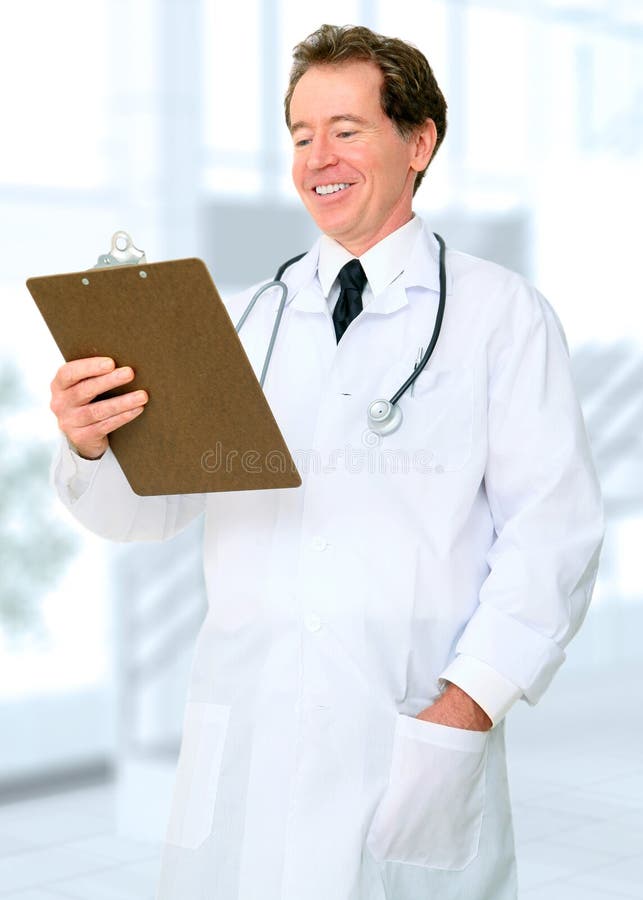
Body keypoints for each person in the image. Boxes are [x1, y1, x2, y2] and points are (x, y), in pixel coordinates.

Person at [49, 23, 603, 900]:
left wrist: (465, 706)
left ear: (418, 142)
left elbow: (554, 539)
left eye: (347, 129)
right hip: (248, 743)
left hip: (407, 732)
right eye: (301, 135)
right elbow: (146, 511)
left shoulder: (502, 316)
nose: (318, 158)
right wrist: (89, 441)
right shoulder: (242, 318)